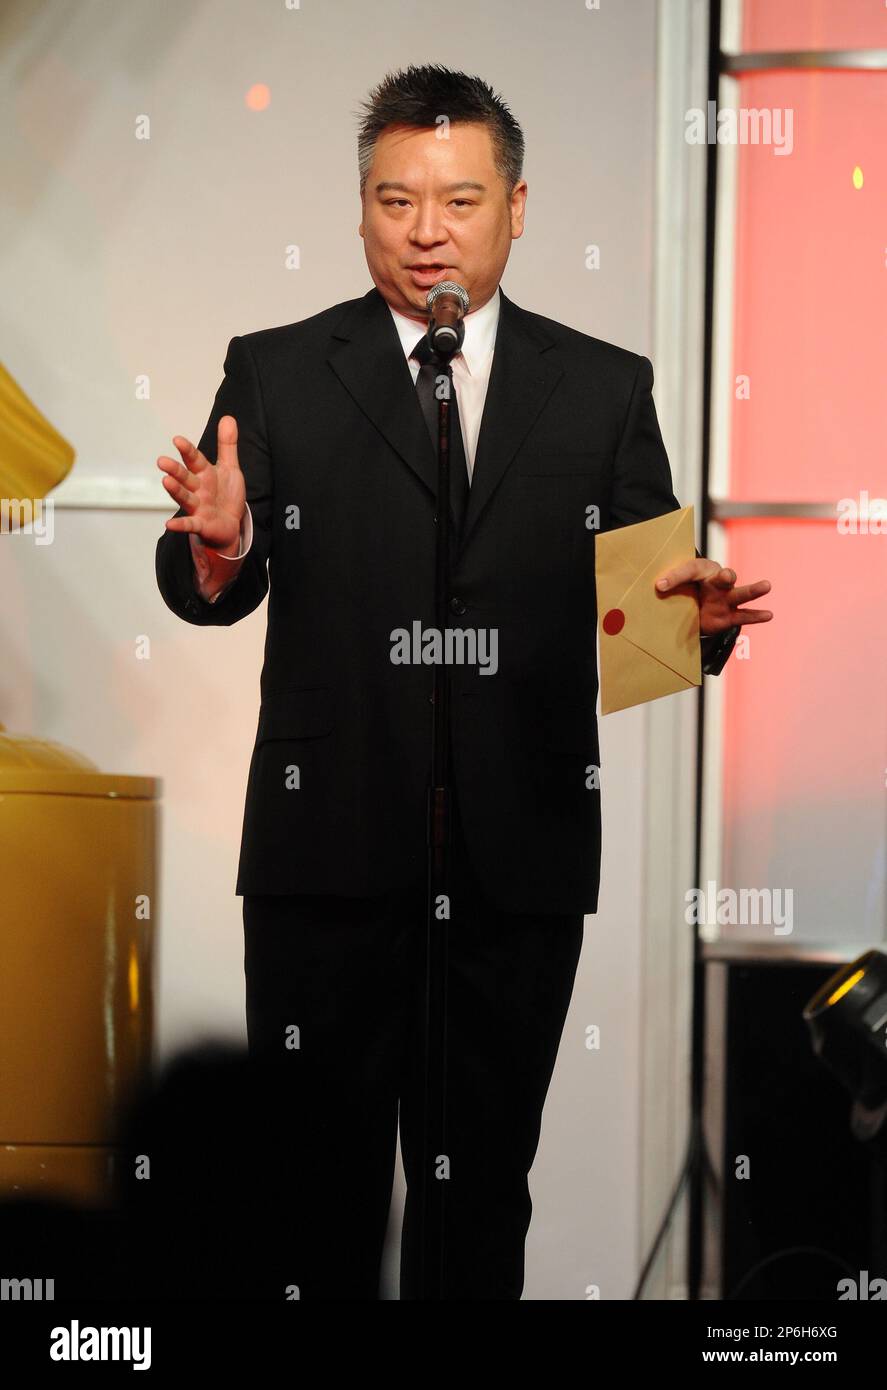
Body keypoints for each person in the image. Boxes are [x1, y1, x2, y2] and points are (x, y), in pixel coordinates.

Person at [154, 64, 773, 1300]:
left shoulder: (602, 387)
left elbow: (642, 623)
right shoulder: (277, 371)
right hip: (326, 858)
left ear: (516, 207)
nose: (426, 229)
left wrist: (696, 627)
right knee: (310, 1206)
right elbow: (209, 571)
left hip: (515, 863)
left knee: (478, 1196)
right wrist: (217, 548)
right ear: (361, 210)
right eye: (395, 200)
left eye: (458, 199)